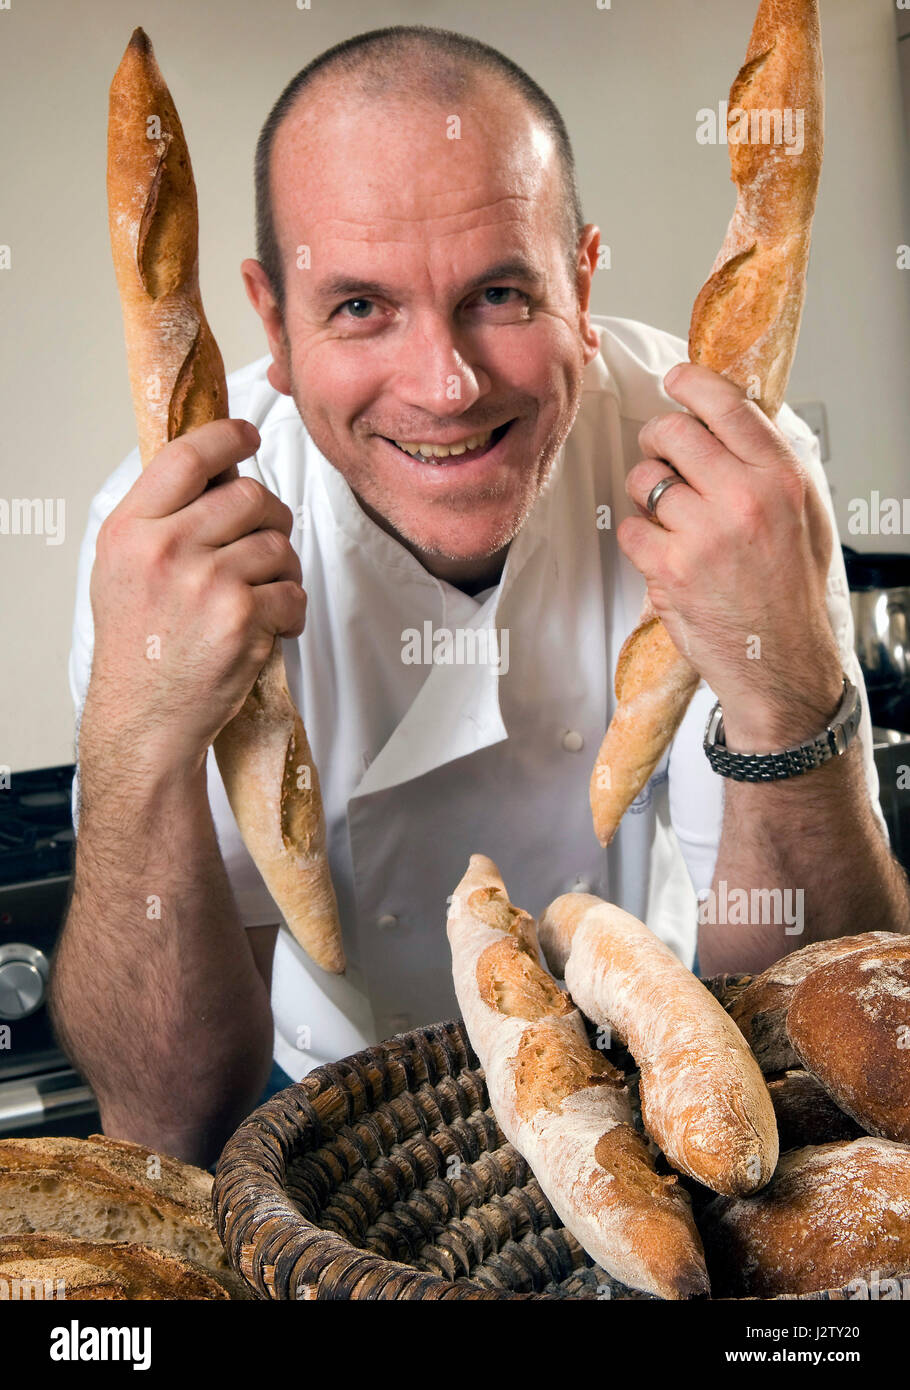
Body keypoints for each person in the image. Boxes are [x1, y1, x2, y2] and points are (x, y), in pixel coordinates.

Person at [51, 26, 910, 1168]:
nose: (444, 388)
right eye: (359, 306)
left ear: (583, 282)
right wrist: (136, 734)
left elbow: (820, 1041)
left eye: (500, 294)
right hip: (315, 1117)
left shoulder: (731, 470)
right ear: (272, 321)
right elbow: (168, 1120)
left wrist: (787, 684)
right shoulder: (171, 530)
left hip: (662, 1077)